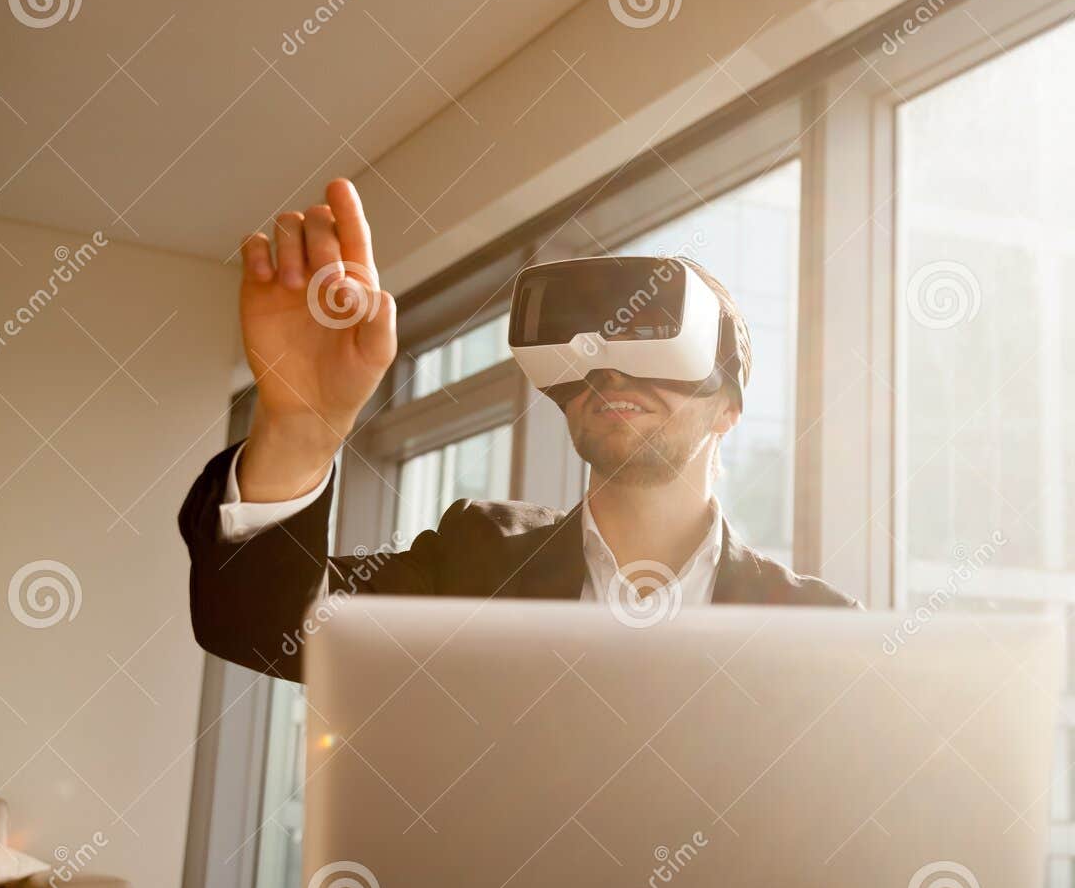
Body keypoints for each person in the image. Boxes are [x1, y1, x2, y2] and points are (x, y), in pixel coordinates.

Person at [179, 179, 856, 683]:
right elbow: (263, 624)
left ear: (729, 407)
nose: (612, 375)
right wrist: (300, 430)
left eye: (649, 349)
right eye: (594, 359)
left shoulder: (817, 631)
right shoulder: (476, 563)